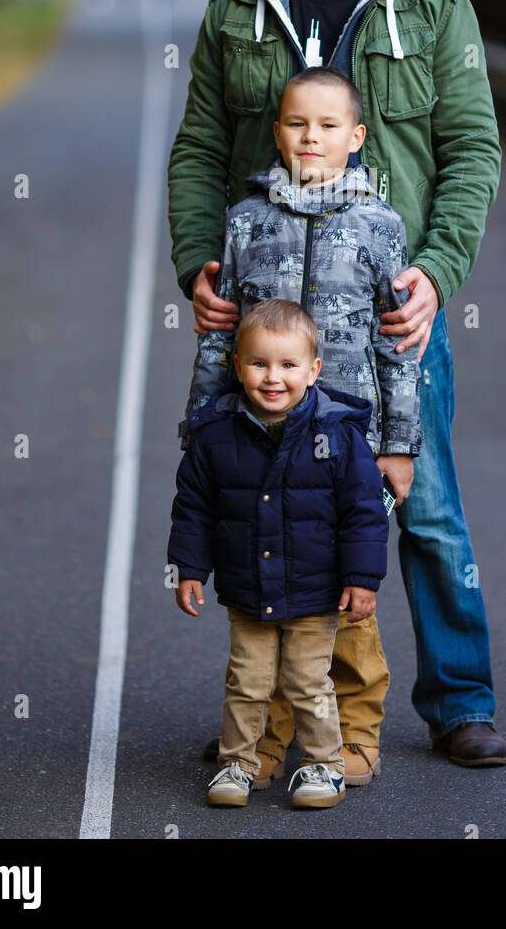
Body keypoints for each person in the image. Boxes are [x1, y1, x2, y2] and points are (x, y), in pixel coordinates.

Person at [167, 0, 506, 771]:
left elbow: (472, 152)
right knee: (262, 512)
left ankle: (459, 702)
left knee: (425, 508)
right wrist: (197, 260)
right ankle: (268, 722)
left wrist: (436, 274)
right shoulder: (236, 13)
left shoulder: (436, 9)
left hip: (388, 319)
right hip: (263, 326)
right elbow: (199, 149)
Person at [179, 64, 422, 782]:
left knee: (346, 592)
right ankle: (269, 741)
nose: (309, 137)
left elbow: (397, 347)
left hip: (349, 441)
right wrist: (200, 428)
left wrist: (399, 445)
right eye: (295, 123)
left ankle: (354, 736)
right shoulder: (247, 221)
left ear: (356, 136)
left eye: (325, 125)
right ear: (277, 131)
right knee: (269, 577)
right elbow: (220, 339)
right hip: (255, 436)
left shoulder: (381, 227)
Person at [168, 299, 389, 808]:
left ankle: (322, 765)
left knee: (308, 680)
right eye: (259, 363)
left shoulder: (338, 435)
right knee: (247, 680)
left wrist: (362, 578)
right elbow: (195, 507)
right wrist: (189, 569)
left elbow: (363, 513)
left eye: (288, 365)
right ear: (239, 366)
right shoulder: (216, 436)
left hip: (315, 590)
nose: (273, 378)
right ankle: (239, 764)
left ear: (312, 371)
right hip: (248, 588)